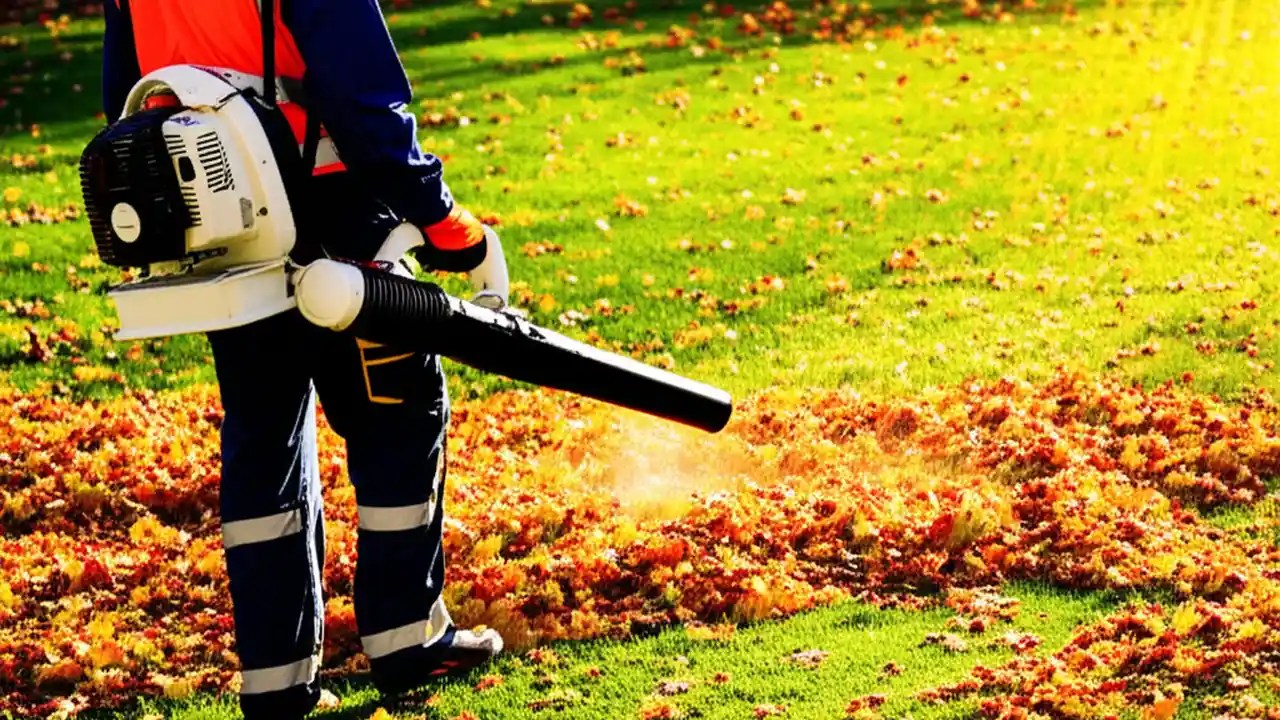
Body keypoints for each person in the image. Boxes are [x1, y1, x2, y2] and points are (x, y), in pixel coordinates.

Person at [100, 1, 505, 718]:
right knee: (398, 408)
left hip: (219, 213)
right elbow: (361, 95)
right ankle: (406, 637)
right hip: (329, 205)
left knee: (264, 433)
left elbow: (123, 93)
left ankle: (276, 677)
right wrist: (443, 220)